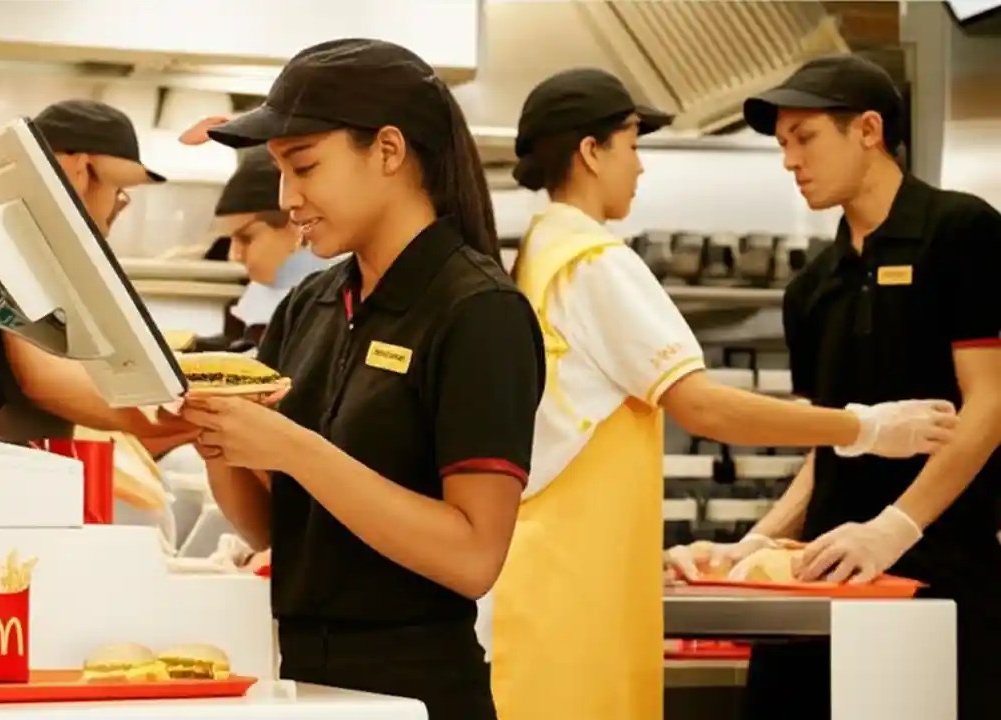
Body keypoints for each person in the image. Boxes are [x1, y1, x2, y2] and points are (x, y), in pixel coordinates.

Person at [487, 67, 959, 720]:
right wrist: (866, 427)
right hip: (577, 592)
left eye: (804, 137)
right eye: (632, 144)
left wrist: (752, 539)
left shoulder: (539, 253)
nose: (641, 169)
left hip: (546, 577)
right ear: (592, 153)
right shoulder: (594, 261)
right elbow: (702, 406)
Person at [179, 39, 545, 720]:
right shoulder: (311, 305)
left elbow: (473, 557)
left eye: (305, 166)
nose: (288, 197)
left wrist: (292, 448)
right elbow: (273, 533)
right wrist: (218, 437)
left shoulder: (478, 312)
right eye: (280, 171)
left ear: (387, 150)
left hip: (419, 691)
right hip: (307, 686)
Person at [711, 54, 1001, 720]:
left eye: (804, 137)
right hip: (822, 586)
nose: (789, 159)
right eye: (782, 143)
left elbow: (991, 401)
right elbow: (826, 448)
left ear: (869, 130)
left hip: (938, 583)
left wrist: (892, 529)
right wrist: (758, 539)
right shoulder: (811, 288)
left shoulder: (962, 233)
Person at [0, 99, 199, 460]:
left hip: (0, 463)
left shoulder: (18, 233)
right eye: (118, 192)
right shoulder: (18, 240)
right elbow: (46, 380)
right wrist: (169, 421)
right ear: (78, 169)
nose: (119, 207)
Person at [195, 146, 333, 352]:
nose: (235, 255)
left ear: (299, 226)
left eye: (247, 238)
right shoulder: (264, 295)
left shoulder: (335, 312)